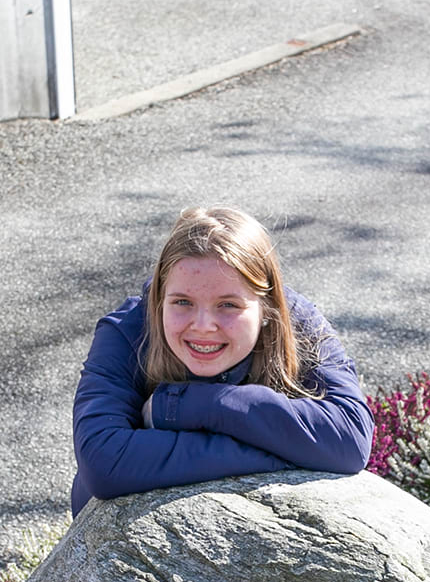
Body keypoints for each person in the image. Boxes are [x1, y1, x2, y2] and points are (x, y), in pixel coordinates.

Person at [71, 206, 374, 514]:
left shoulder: (297, 322)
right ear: (160, 299)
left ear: (265, 307)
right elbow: (103, 462)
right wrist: (285, 451)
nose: (203, 325)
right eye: (182, 302)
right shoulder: (125, 331)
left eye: (228, 305)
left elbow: (350, 437)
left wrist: (184, 406)